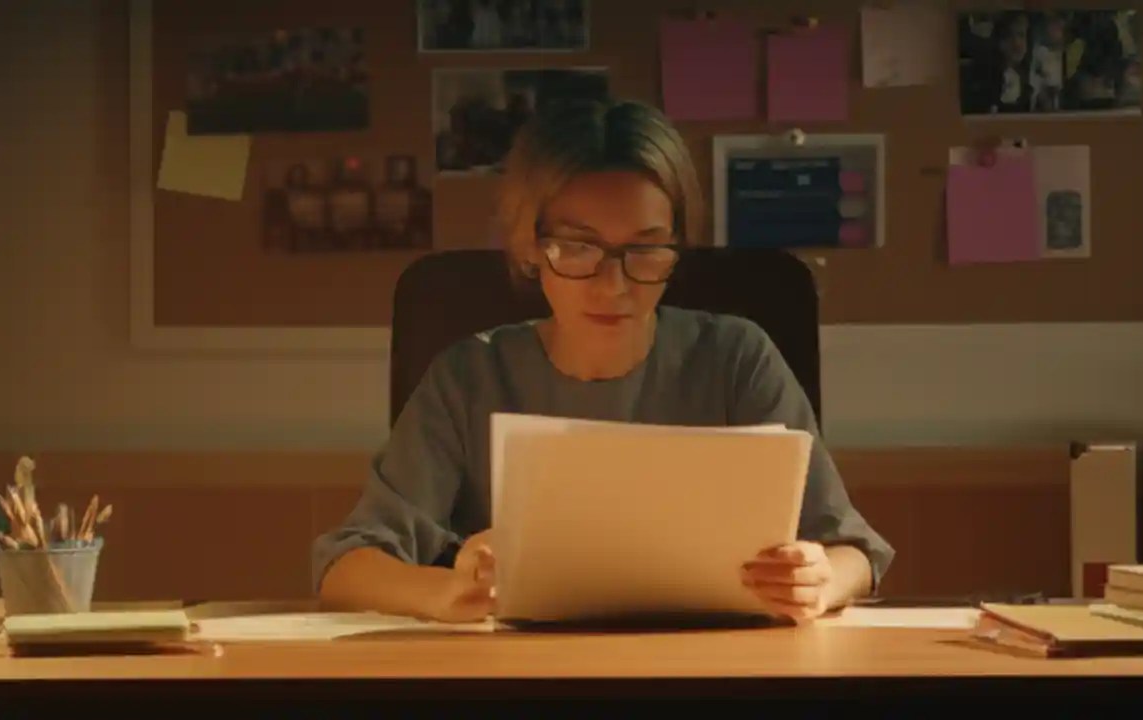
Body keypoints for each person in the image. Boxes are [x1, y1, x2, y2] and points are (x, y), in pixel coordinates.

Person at [312, 98, 895, 625]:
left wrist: (820, 580)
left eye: (644, 249)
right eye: (578, 247)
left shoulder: (737, 358)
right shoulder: (470, 376)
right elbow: (347, 565)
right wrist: (442, 592)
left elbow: (855, 553)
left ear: (676, 245)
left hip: (715, 672)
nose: (613, 286)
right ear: (530, 248)